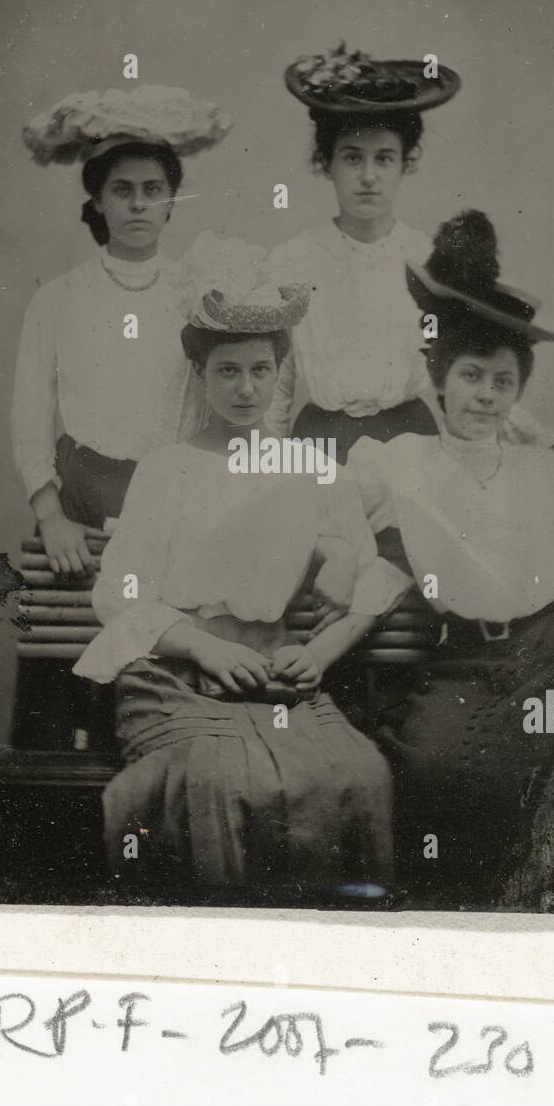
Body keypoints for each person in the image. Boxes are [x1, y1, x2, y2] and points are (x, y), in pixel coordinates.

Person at [73, 237, 412, 892]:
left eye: (260, 369)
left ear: (281, 372)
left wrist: (320, 655)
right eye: (227, 371)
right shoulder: (167, 471)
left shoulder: (313, 471)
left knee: (361, 773)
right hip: (175, 677)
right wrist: (202, 647)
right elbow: (120, 593)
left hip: (277, 678)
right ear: (200, 375)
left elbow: (370, 576)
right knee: (221, 780)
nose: (245, 387)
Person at [347, 210, 554, 908]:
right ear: (439, 378)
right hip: (459, 657)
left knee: (540, 774)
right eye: (471, 377)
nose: (485, 397)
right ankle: (442, 914)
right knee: (434, 766)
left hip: (541, 657)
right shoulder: (403, 461)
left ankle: (510, 914)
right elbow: (346, 527)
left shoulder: (538, 469)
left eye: (502, 383)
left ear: (518, 391)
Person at [266, 43, 554, 464]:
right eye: (352, 158)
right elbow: (276, 389)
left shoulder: (429, 264)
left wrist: (543, 439)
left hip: (409, 447)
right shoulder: (291, 260)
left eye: (385, 158)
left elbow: (472, 365)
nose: (369, 176)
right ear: (327, 163)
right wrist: (263, 472)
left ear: (406, 164)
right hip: (319, 448)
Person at [12, 83, 232, 576]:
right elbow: (30, 421)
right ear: (98, 201)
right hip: (80, 510)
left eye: (152, 190)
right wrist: (51, 517)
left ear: (171, 201)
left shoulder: (199, 295)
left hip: (178, 506)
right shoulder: (57, 300)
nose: (138, 204)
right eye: (122, 190)